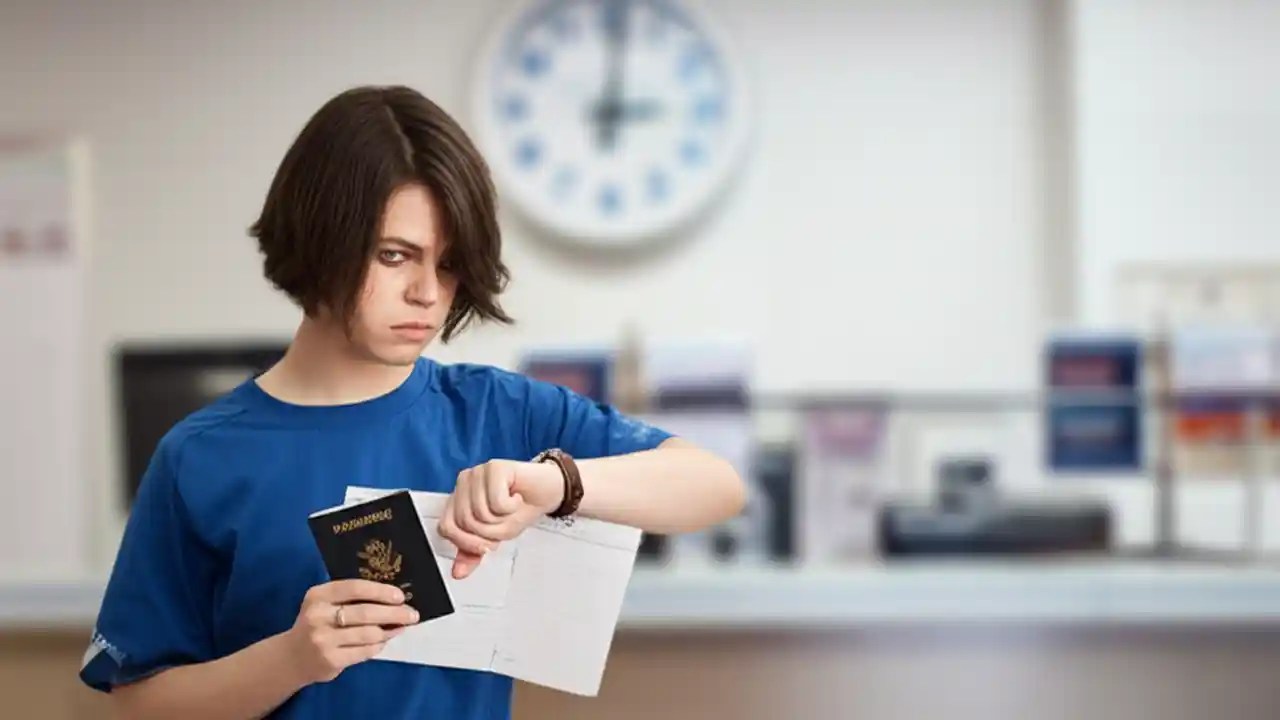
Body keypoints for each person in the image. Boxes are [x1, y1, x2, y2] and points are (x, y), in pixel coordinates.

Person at [78, 85, 746, 719]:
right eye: (396, 256)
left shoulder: (496, 414)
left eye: (448, 263)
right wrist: (291, 658)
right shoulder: (202, 456)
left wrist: (555, 482)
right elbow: (140, 702)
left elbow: (714, 485)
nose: (429, 292)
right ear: (320, 240)